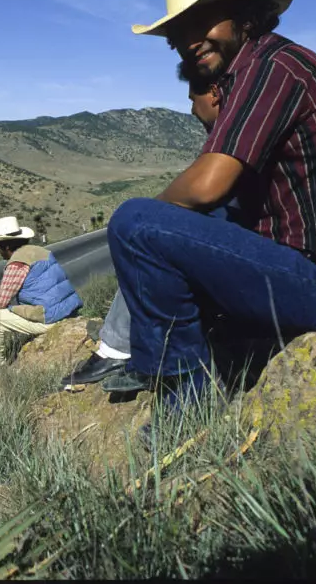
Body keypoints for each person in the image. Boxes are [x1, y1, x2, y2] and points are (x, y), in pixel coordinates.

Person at [96, 0, 316, 410]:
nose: (189, 41)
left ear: (245, 15)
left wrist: (147, 230)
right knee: (200, 224)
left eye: (203, 20)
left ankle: (187, 404)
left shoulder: (273, 66)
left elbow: (204, 187)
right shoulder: (258, 71)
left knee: (136, 222)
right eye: (178, 32)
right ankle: (155, 359)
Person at [61, 62, 228, 391]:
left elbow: (204, 190)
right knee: (156, 237)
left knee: (144, 237)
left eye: (193, 99)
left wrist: (153, 213)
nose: (191, 109)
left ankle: (119, 350)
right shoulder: (230, 132)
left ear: (214, 93)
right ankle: (128, 336)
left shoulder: (233, 132)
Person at [0, 216, 84, 371]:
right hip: (69, 311)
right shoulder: (42, 251)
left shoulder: (17, 263)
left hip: (51, 319)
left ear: (7, 246)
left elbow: (0, 301)